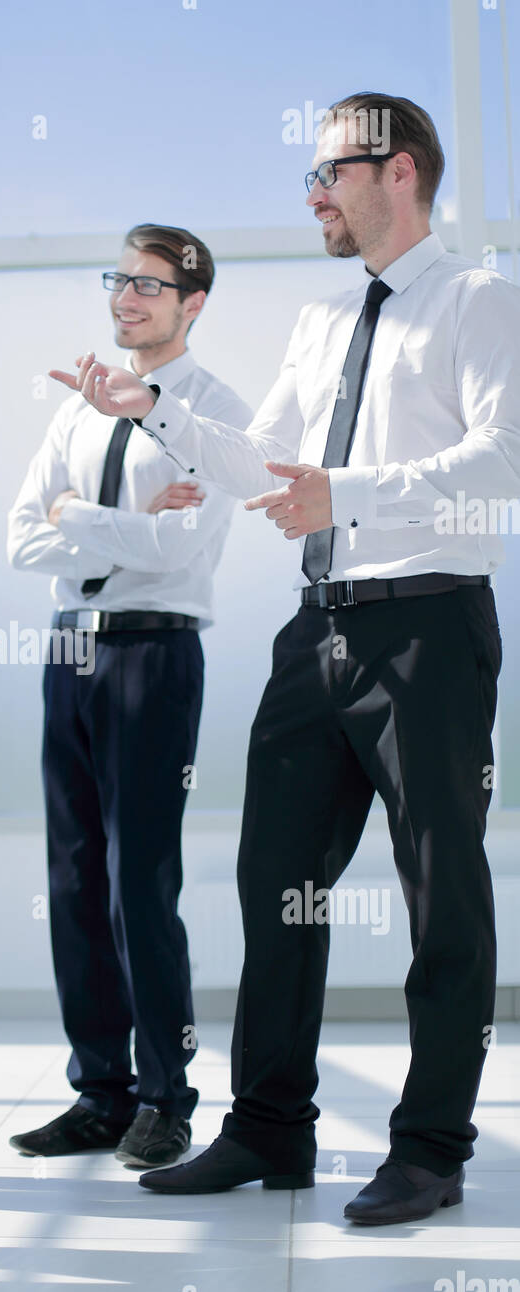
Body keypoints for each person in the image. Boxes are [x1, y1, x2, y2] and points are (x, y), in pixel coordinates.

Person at [53, 94, 520, 1222]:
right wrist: (151, 404)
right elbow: (268, 459)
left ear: (398, 170)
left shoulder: (481, 299)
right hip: (318, 631)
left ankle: (430, 1147)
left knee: (437, 890)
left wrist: (343, 493)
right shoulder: (322, 319)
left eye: (328, 171)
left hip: (428, 626)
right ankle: (269, 1128)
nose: (311, 192)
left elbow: (501, 459)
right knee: (279, 886)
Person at [7, 224, 251, 1169]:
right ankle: (99, 1093)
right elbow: (29, 538)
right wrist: (112, 524)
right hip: (68, 648)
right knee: (73, 877)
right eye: (120, 281)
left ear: (193, 303)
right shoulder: (75, 407)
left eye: (151, 286)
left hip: (155, 653)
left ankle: (166, 1097)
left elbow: (179, 552)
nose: (127, 299)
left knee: (139, 880)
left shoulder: (214, 414)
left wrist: (79, 519)